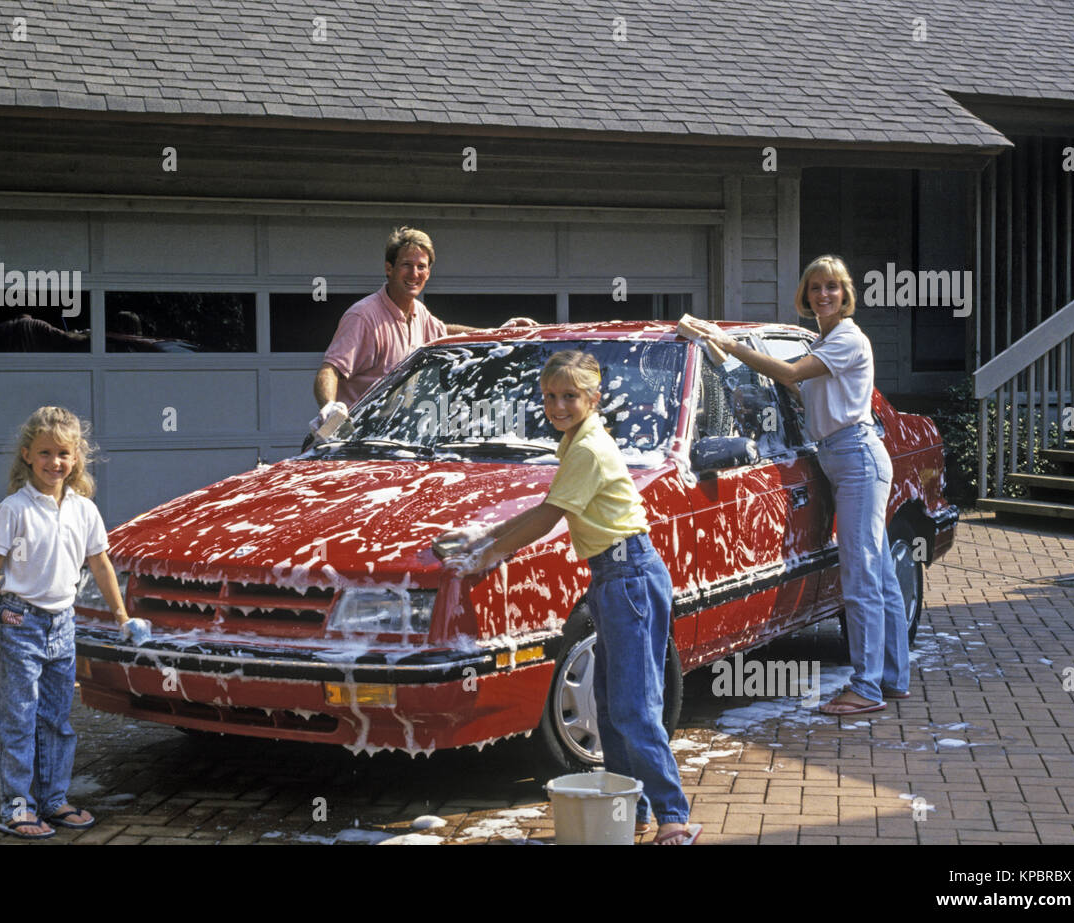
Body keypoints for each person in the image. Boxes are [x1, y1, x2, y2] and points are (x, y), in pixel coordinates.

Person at [436, 351, 699, 845]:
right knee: (609, 702)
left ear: (594, 398)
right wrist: (484, 535)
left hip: (629, 577)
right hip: (611, 576)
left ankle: (673, 817)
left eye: (570, 396)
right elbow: (545, 506)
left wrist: (486, 555)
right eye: (550, 396)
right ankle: (630, 807)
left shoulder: (587, 448)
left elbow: (549, 517)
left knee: (634, 708)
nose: (558, 405)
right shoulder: (574, 440)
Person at [679, 255, 910, 716]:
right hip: (843, 456)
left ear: (846, 294)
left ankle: (866, 690)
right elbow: (808, 393)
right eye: (815, 288)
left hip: (856, 458)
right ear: (805, 295)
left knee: (861, 577)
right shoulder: (827, 339)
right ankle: (890, 677)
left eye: (833, 287)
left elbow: (791, 373)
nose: (824, 294)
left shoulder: (847, 337)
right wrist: (751, 392)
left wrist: (729, 345)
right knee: (880, 575)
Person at [0, 406, 132, 838]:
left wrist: (121, 616)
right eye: (44, 452)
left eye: (63, 453)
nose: (53, 462)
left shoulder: (84, 510)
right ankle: (17, 805)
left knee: (57, 718)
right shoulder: (14, 509)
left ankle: (53, 799)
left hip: (63, 624)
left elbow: (100, 565)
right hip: (19, 622)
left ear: (76, 458)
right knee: (18, 717)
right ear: (26, 455)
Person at [310, 226, 537, 438]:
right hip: (358, 438)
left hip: (398, 436)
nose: (414, 273)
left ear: (428, 272)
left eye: (421, 266)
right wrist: (329, 407)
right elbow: (330, 369)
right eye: (407, 265)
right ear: (389, 269)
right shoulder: (363, 317)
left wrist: (498, 333)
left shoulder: (418, 312)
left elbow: (444, 332)